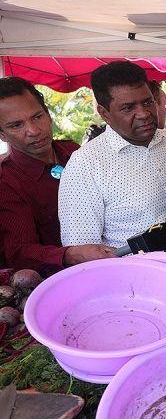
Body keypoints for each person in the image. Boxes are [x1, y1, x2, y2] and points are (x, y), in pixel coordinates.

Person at [59, 61, 166, 248]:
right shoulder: (86, 164)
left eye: (148, 102)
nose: (143, 114)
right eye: (128, 108)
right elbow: (83, 249)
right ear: (104, 113)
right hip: (131, 274)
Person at [0, 77, 114, 277]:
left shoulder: (76, 152)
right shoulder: (6, 183)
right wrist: (71, 255)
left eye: (37, 117)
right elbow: (19, 253)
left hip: (110, 265)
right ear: (2, 134)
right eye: (16, 125)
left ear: (48, 113)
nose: (34, 131)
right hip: (55, 283)